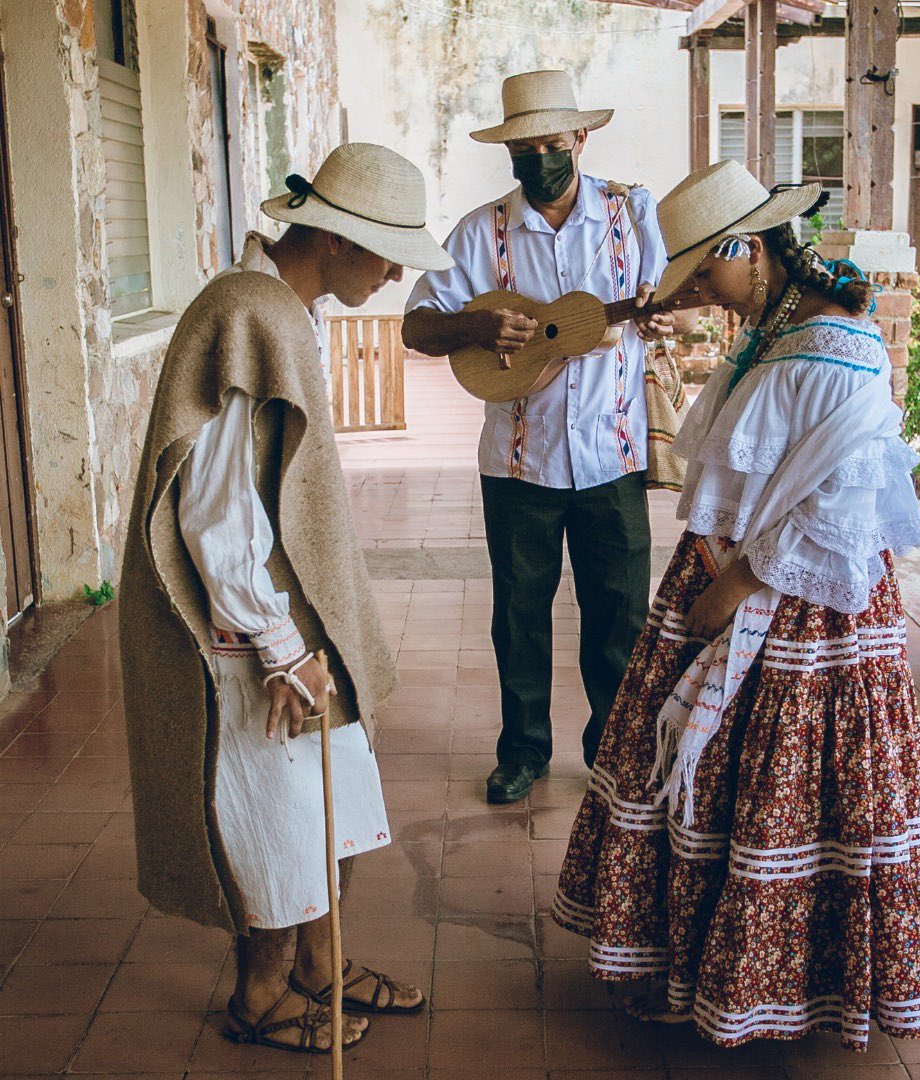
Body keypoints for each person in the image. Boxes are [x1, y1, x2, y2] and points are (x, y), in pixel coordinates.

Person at [553, 160, 920, 1053]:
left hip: (798, 601)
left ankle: (783, 988)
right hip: (726, 582)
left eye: (704, 270)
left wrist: (738, 583)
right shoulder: (772, 331)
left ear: (748, 248)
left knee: (785, 787)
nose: (698, 291)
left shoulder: (836, 347)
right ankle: (692, 964)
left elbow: (842, 500)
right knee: (706, 782)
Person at [120, 144, 454, 1054]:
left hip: (291, 620)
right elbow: (215, 512)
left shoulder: (283, 308)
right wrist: (277, 647)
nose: (392, 274)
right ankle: (261, 998)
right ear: (335, 239)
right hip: (245, 628)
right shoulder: (249, 313)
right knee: (276, 812)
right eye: (385, 253)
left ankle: (321, 964)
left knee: (331, 796)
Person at [403, 69, 673, 804]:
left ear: (581, 138)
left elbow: (665, 301)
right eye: (524, 148)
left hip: (613, 458)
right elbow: (417, 324)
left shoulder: (631, 215)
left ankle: (611, 749)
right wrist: (472, 324)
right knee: (519, 614)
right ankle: (522, 750)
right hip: (518, 465)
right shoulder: (478, 232)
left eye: (551, 143)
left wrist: (665, 313)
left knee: (618, 616)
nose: (539, 159)